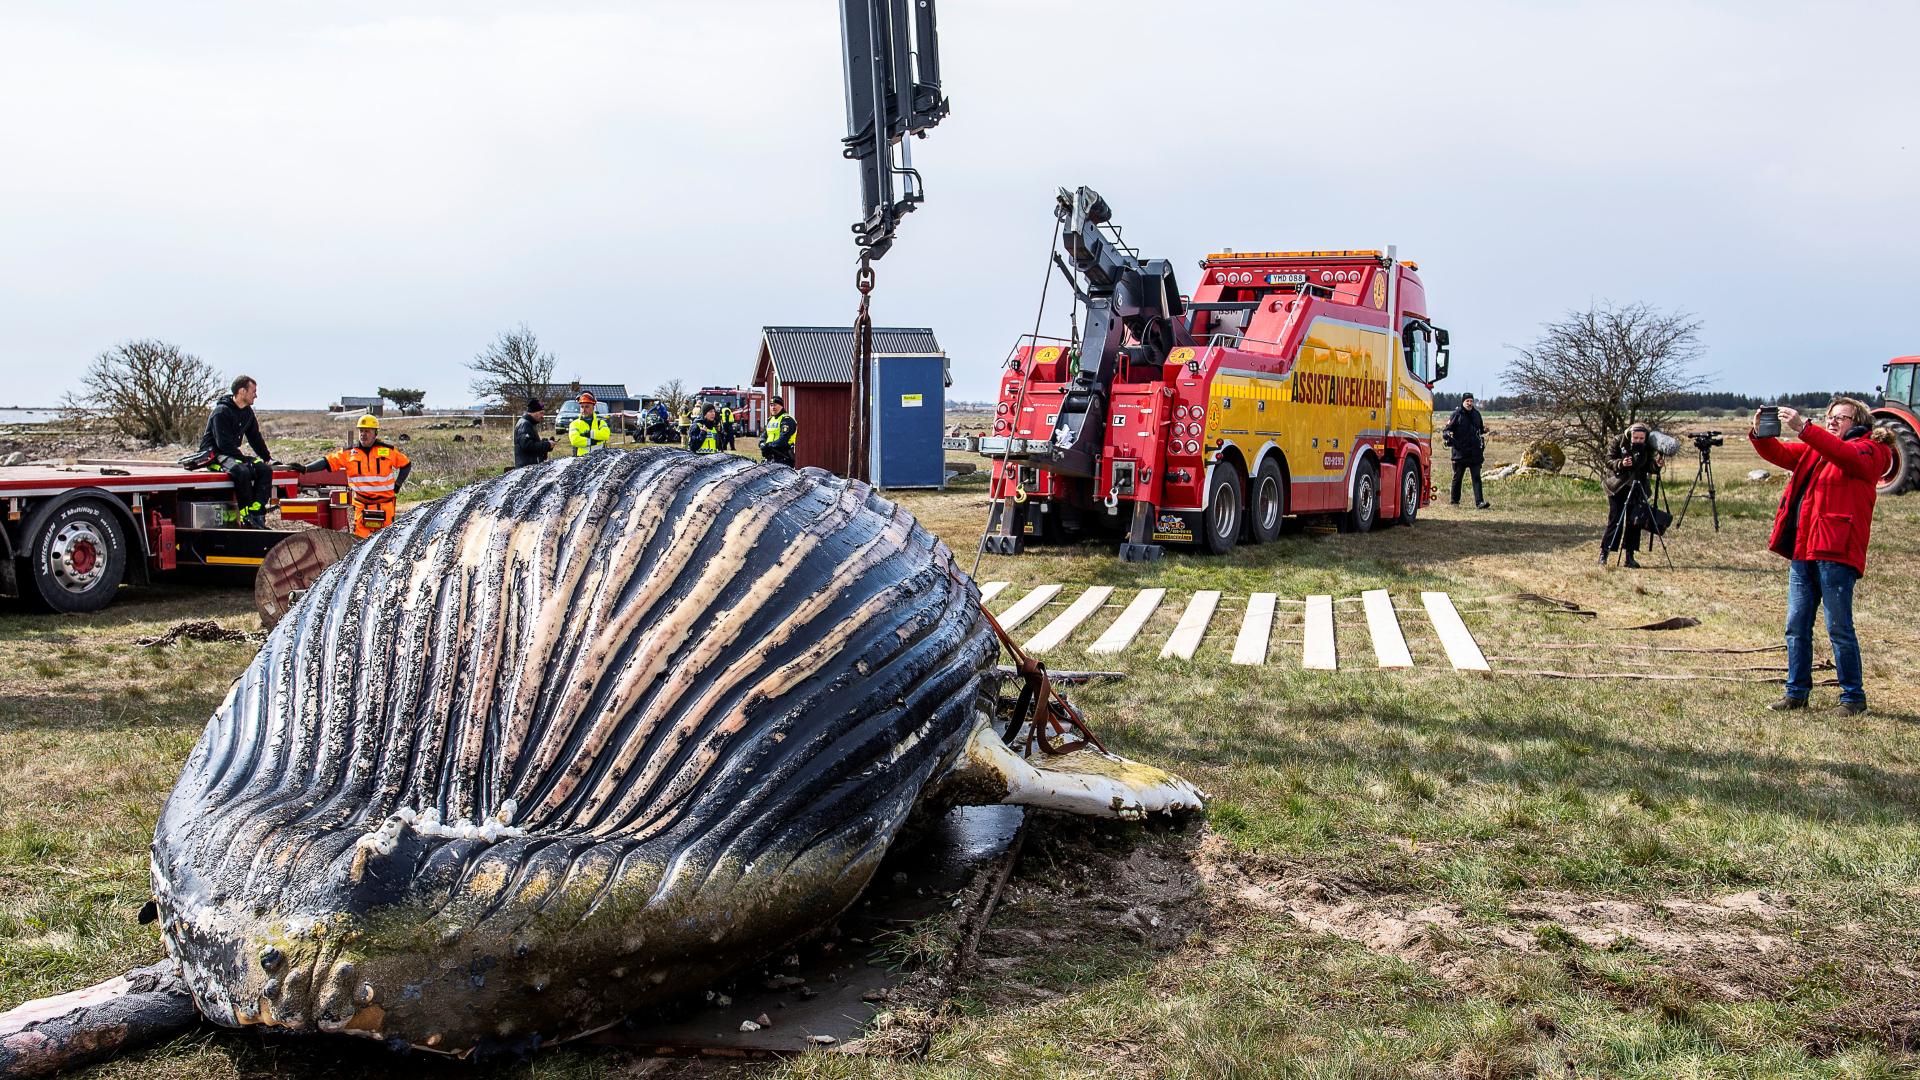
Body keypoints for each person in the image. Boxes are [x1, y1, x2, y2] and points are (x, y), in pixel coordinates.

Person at [1751, 399, 1894, 716]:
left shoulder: (1871, 450)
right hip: (1805, 550)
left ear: (1857, 421)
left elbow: (1848, 458)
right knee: (1796, 625)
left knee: (1839, 628)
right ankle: (1796, 693)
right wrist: (1762, 432)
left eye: (1840, 417)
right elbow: (1780, 454)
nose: (1831, 422)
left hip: (1837, 552)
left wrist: (1804, 429)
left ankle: (1853, 698)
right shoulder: (1818, 449)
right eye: (1829, 417)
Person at [298, 414, 412, 539]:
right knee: (360, 542)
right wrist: (306, 468)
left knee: (386, 541)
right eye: (361, 431)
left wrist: (398, 484)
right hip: (362, 506)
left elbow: (406, 464)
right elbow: (327, 461)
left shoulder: (387, 451)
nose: (363, 434)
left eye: (367, 431)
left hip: (385, 506)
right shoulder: (349, 453)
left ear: (375, 433)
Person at [200, 375, 277, 528]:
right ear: (242, 391)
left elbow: (255, 437)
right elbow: (223, 444)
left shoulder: (247, 412)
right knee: (242, 472)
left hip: (232, 454)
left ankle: (257, 512)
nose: (256, 395)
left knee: (264, 470)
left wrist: (267, 458)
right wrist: (244, 460)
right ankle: (246, 515)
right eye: (253, 391)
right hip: (215, 455)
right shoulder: (221, 412)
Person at [1600, 423, 1663, 567]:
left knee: (1634, 522)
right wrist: (1621, 463)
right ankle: (1604, 553)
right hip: (1618, 486)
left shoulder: (1648, 446)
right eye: (1636, 438)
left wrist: (1656, 466)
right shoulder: (1618, 440)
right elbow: (1608, 460)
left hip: (1638, 486)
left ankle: (1629, 556)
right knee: (1615, 520)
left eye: (1642, 438)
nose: (1639, 441)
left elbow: (1648, 466)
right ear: (1630, 435)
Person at [1443, 393, 1490, 508]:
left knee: (1476, 478)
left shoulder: (1477, 414)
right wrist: (1448, 435)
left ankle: (1479, 503)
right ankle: (1454, 502)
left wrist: (1484, 430)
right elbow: (1446, 430)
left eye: (1471, 401)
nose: (1469, 403)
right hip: (1460, 452)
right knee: (1458, 477)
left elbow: (1480, 429)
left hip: (1475, 452)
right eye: (1467, 401)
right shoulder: (1456, 414)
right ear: (1463, 402)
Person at [513, 398, 552, 468]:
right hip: (525, 468)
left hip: (530, 467)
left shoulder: (529, 423)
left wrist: (545, 444)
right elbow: (527, 445)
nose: (543, 416)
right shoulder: (525, 424)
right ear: (533, 412)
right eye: (541, 413)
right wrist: (547, 445)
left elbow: (531, 444)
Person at [569, 392, 611, 456]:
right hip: (581, 460)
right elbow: (575, 440)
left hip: (599, 459)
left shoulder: (600, 422)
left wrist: (589, 434)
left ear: (593, 407)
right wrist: (593, 441)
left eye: (587, 407)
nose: (583, 410)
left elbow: (605, 435)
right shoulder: (574, 424)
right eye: (582, 407)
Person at [760, 395, 797, 466]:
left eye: (775, 405)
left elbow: (783, 439)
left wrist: (768, 445)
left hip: (783, 458)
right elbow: (763, 436)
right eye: (771, 405)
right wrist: (762, 444)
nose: (773, 407)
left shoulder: (787, 420)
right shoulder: (770, 420)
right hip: (770, 458)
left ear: (781, 406)